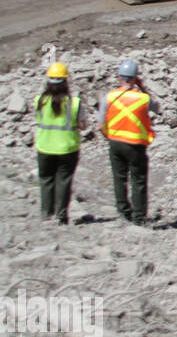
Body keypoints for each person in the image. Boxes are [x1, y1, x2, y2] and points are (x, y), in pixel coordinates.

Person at [100, 59, 159, 226]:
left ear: (119, 77)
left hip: (115, 142)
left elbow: (100, 123)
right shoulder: (143, 98)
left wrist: (109, 136)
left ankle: (123, 212)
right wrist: (142, 88)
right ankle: (139, 217)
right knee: (138, 180)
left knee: (119, 178)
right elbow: (157, 107)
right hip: (136, 145)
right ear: (135, 78)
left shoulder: (109, 97)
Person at [33, 62, 87, 224]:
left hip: (45, 146)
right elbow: (83, 125)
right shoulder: (74, 102)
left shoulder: (39, 101)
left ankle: (46, 214)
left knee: (46, 180)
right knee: (64, 181)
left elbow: (39, 120)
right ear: (65, 82)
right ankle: (61, 216)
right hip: (67, 148)